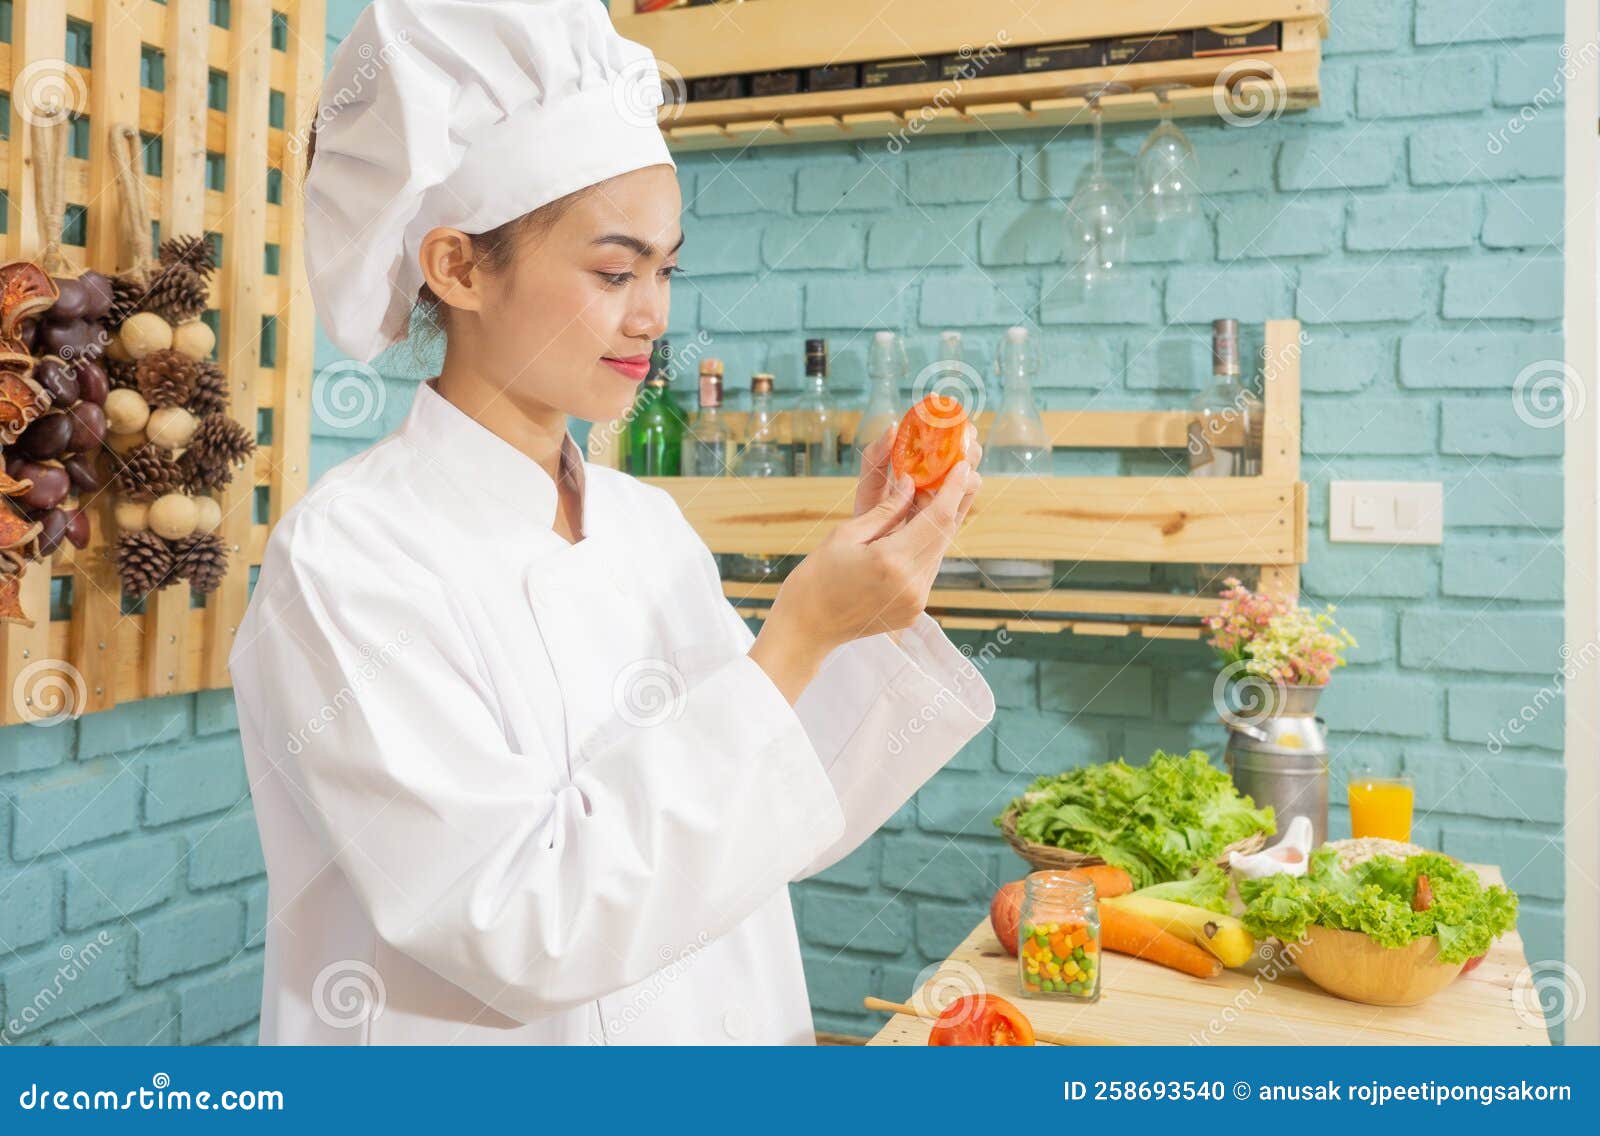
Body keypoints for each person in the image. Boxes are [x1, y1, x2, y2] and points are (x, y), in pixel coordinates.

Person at [229, 0, 994, 1045]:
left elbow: (772, 815)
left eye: (665, 268)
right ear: (456, 268)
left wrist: (864, 602)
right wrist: (800, 634)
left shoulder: (647, 527)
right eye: (612, 270)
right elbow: (521, 923)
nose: (653, 315)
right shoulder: (347, 559)